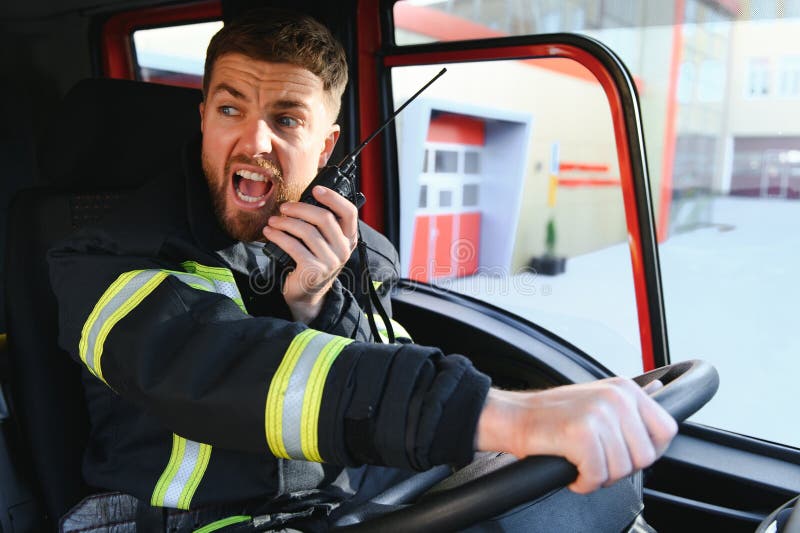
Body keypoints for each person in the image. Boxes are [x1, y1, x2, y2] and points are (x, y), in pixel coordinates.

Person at [48, 7, 677, 531]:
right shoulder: (102, 256)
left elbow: (383, 372)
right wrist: (509, 415)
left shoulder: (350, 251)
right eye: (231, 109)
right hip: (165, 519)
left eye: (287, 119)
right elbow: (216, 371)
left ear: (325, 147)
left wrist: (316, 303)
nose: (255, 141)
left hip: (325, 506)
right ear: (204, 117)